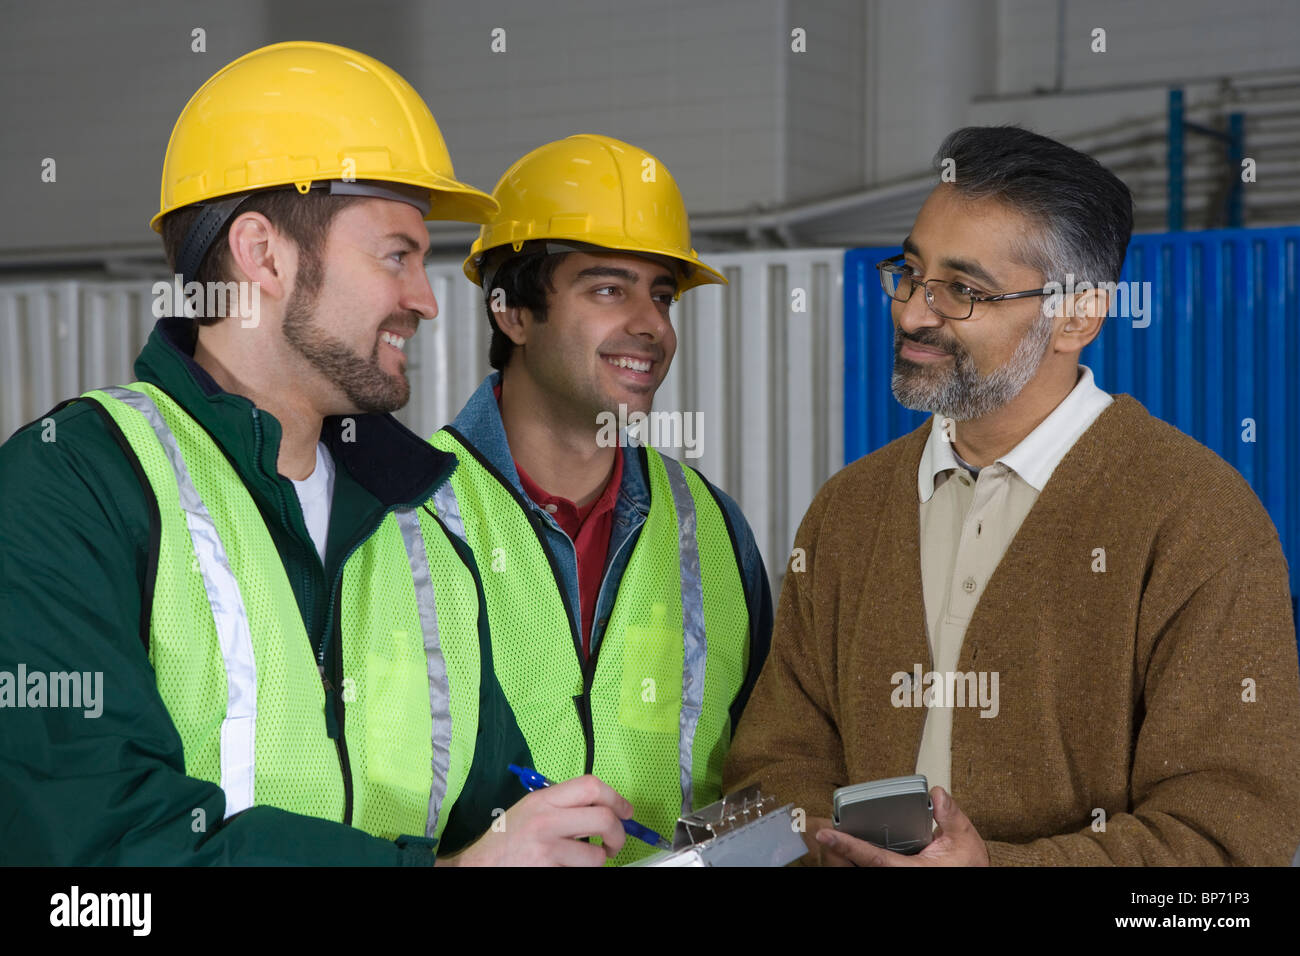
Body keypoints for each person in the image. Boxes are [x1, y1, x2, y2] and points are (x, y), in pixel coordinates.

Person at [0, 41, 633, 867]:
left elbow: (492, 805)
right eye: (397, 255)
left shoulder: (419, 520)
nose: (427, 300)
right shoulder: (73, 484)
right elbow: (91, 847)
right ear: (263, 254)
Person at [723, 125, 1300, 866]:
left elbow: (1231, 840)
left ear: (1079, 316)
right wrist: (824, 845)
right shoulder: (848, 509)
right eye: (910, 270)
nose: (912, 313)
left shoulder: (1196, 519)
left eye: (963, 290)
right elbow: (776, 765)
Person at [430, 134, 773, 863]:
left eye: (662, 294)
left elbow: (766, 769)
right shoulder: (406, 512)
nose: (651, 326)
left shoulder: (712, 528)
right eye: (609, 289)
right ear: (513, 314)